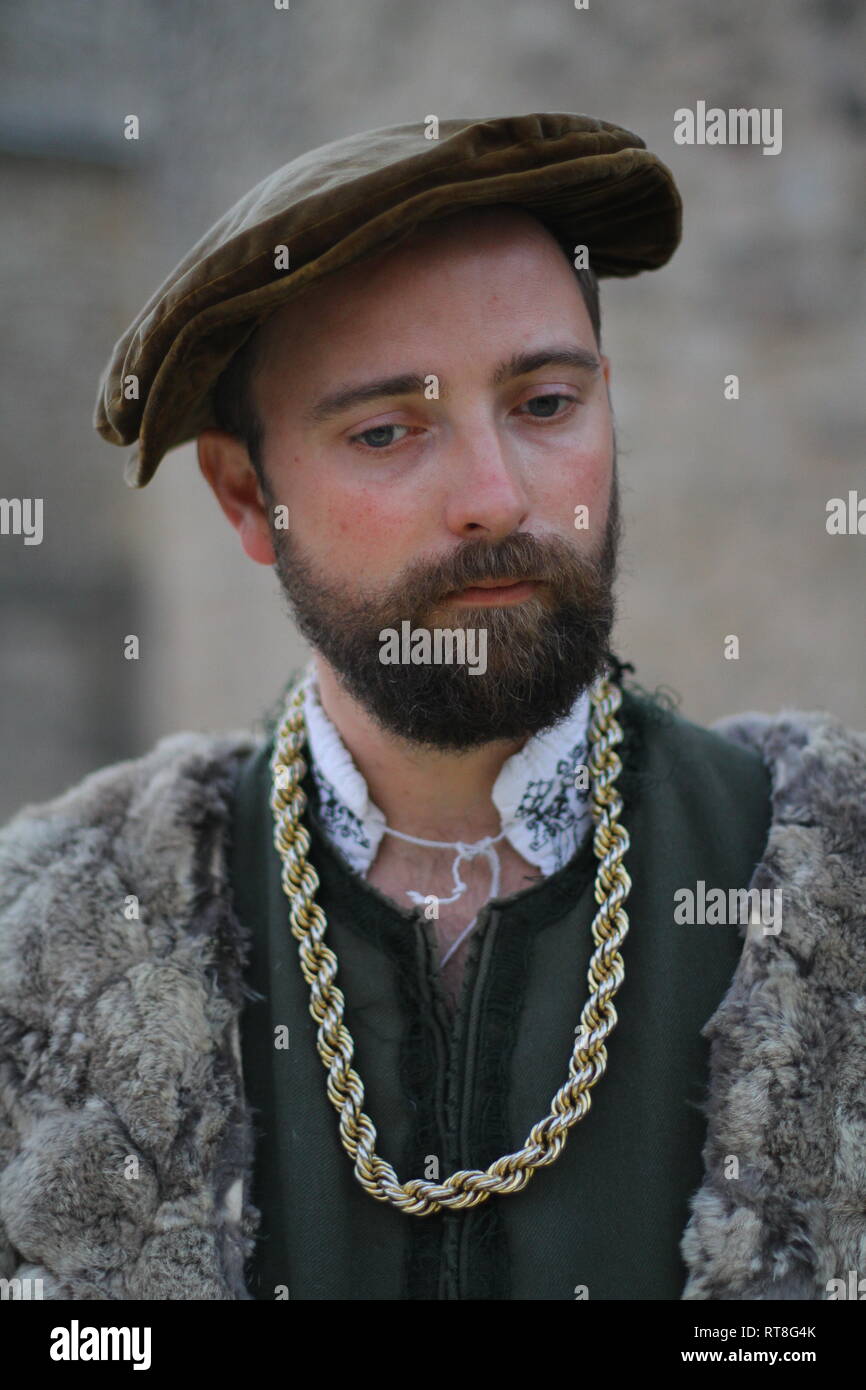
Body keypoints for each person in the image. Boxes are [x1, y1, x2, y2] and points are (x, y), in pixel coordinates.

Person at [0, 113, 863, 1302]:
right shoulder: (41, 957)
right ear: (249, 495)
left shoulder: (831, 888)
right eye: (387, 430)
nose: (495, 497)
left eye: (545, 404)